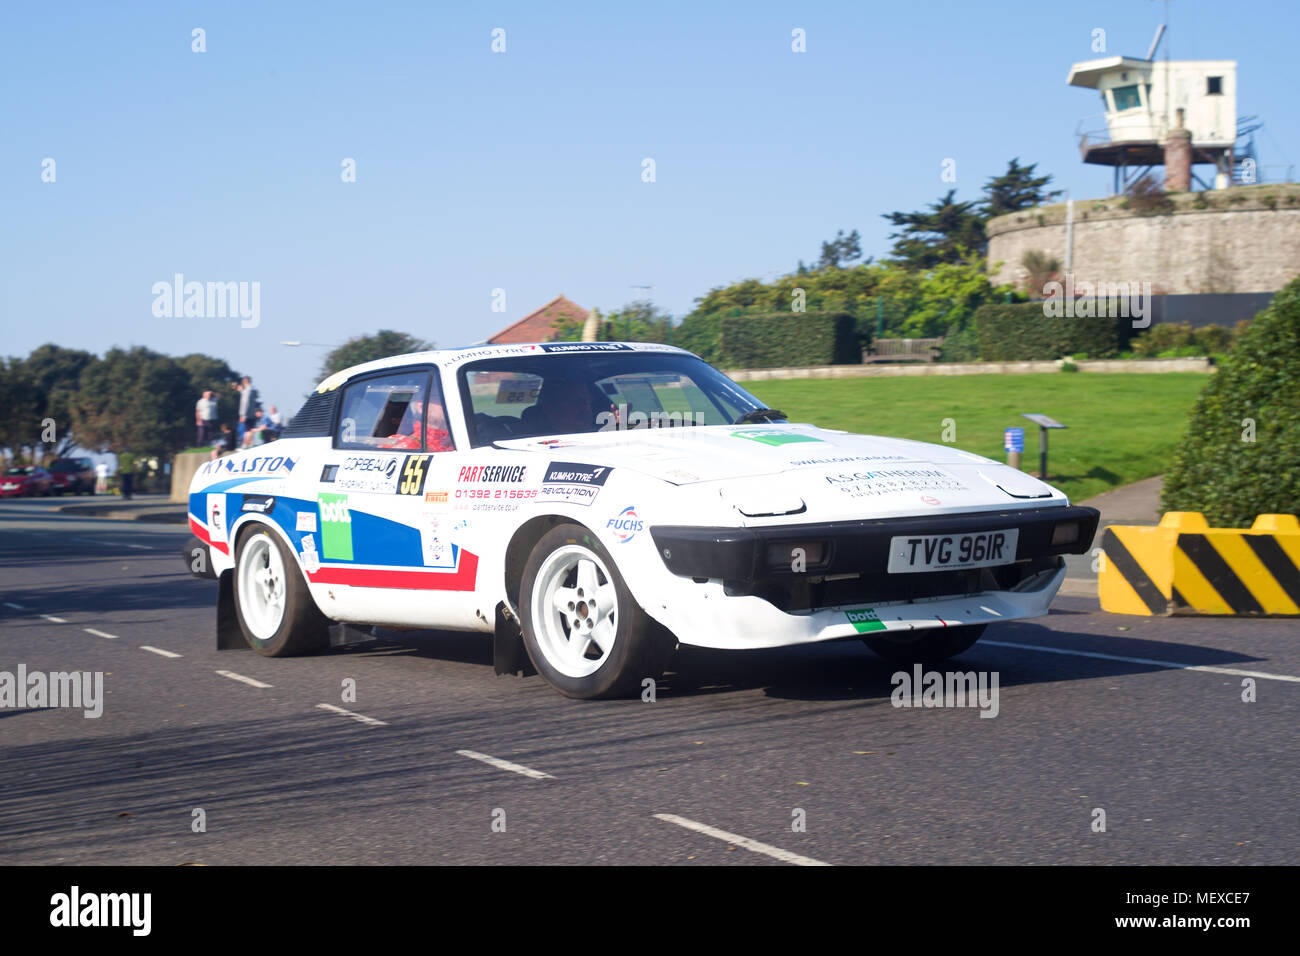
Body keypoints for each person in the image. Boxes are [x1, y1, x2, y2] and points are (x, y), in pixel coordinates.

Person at [383, 396, 454, 452]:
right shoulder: (405, 444)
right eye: (442, 398)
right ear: (421, 406)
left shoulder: (459, 438)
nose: (452, 404)